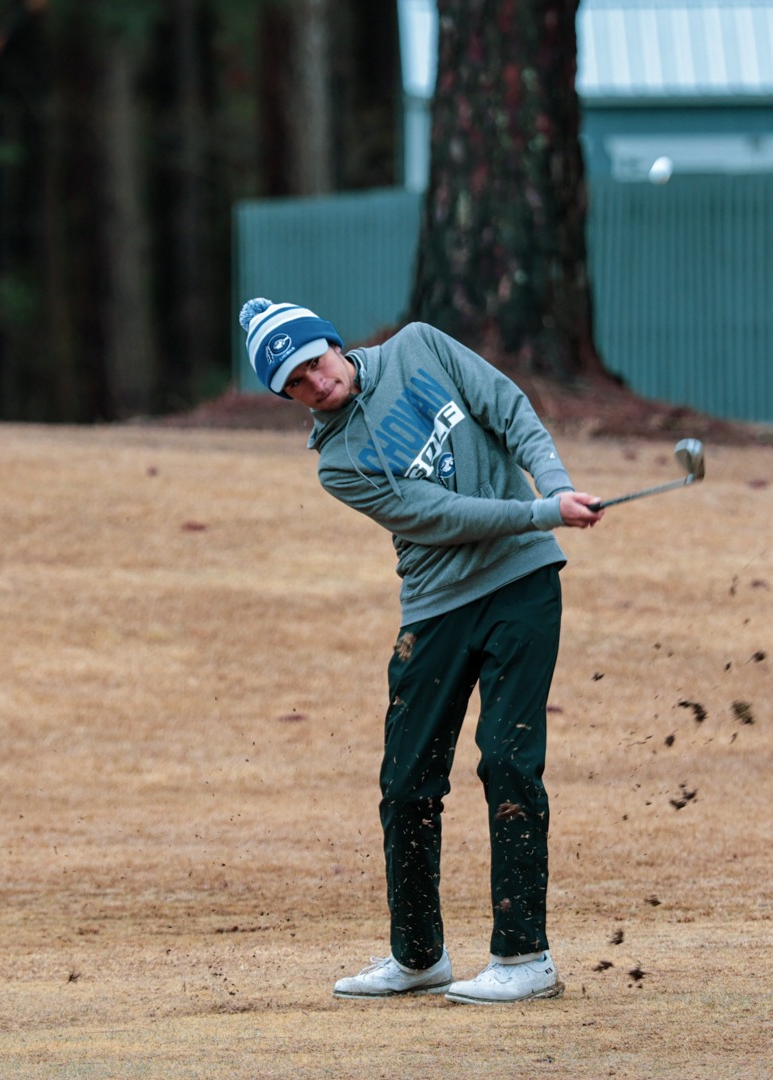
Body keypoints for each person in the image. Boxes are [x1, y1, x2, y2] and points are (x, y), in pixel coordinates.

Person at [237, 298, 603, 1005]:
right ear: (285, 397)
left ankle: (524, 957)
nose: (316, 384)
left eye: (314, 363)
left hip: (523, 583)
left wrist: (553, 485)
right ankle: (418, 957)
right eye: (296, 384)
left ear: (332, 345)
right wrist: (539, 510)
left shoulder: (420, 347)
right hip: (434, 610)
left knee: (509, 759)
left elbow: (506, 406)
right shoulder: (338, 464)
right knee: (408, 784)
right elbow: (436, 519)